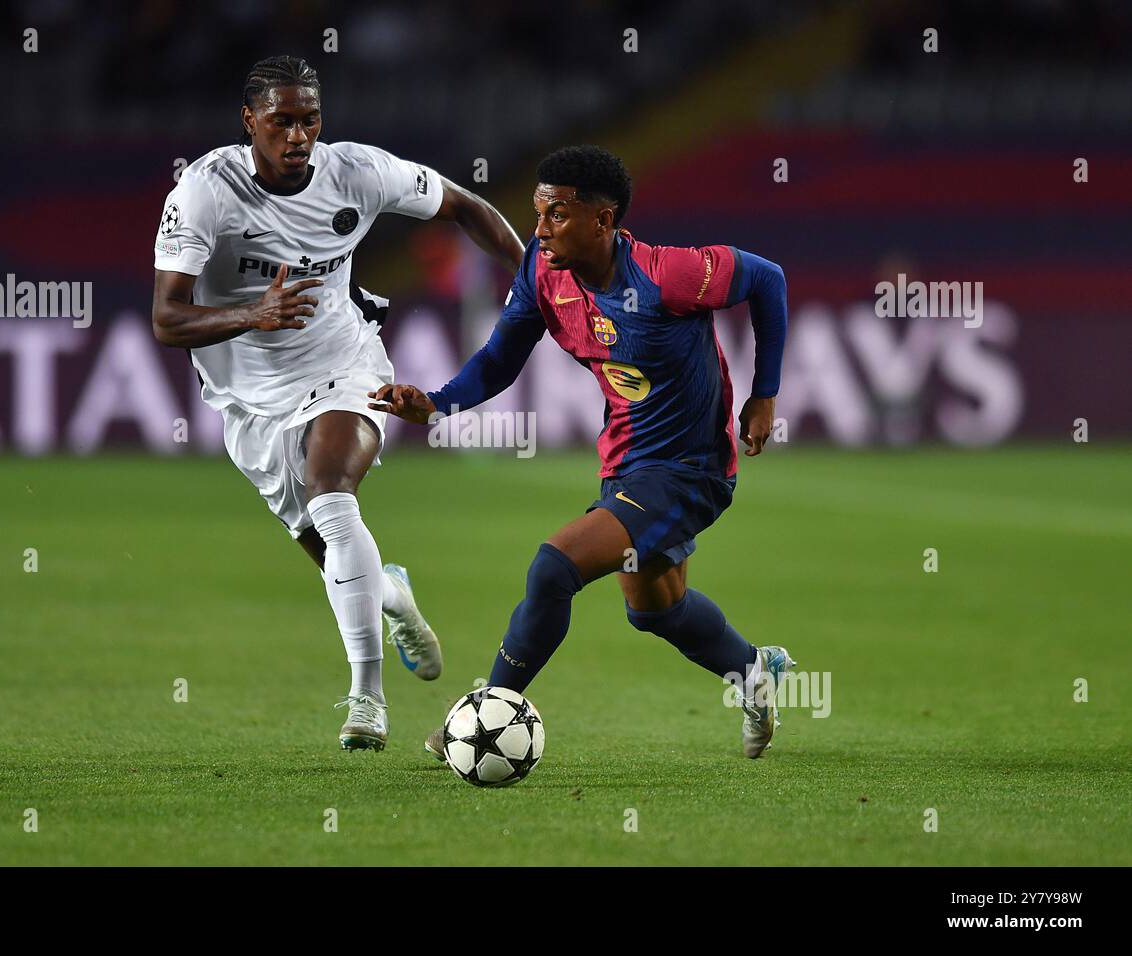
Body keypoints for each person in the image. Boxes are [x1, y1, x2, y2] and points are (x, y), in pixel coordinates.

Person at [370, 145, 795, 759]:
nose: (539, 230)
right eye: (537, 213)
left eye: (557, 215)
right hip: (625, 464)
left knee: (553, 568)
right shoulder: (543, 274)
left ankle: (486, 715)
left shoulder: (669, 274)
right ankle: (753, 669)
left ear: (603, 220)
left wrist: (765, 394)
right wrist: (435, 403)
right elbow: (498, 360)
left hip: (689, 470)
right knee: (656, 609)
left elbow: (768, 278)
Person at [151, 56, 524, 751]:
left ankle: (367, 698)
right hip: (247, 394)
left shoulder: (358, 172)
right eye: (281, 121)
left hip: (343, 363)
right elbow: (167, 319)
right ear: (249, 122)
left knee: (331, 490)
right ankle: (392, 594)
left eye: (310, 119)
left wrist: (533, 278)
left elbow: (465, 206)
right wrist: (253, 315)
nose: (298, 135)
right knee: (331, 553)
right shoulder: (205, 192)